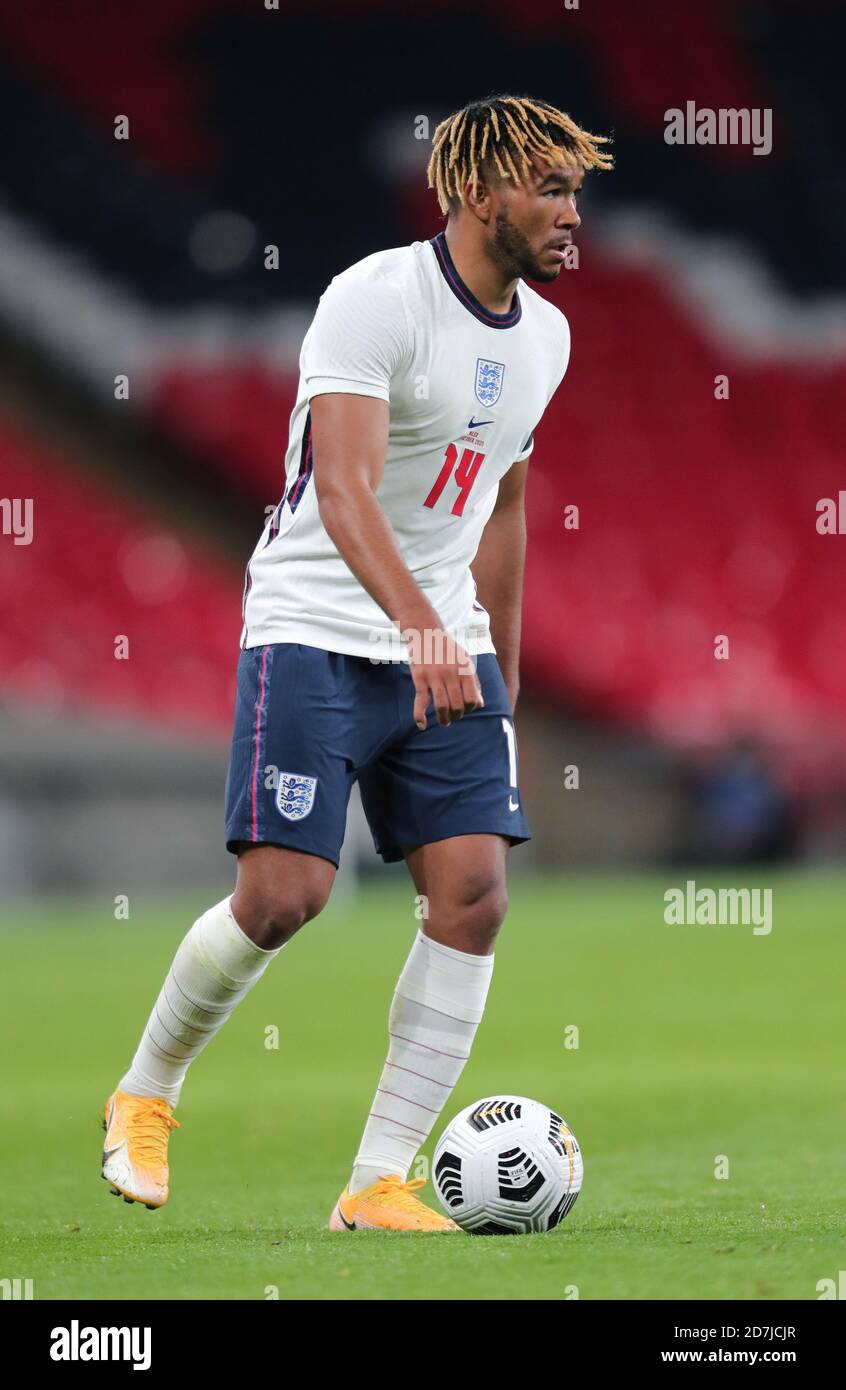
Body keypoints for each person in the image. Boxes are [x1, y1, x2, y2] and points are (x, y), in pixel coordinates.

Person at [101, 94, 613, 1231]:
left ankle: (377, 1179)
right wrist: (421, 626)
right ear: (482, 193)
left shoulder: (549, 336)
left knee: (473, 896)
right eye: (552, 190)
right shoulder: (373, 300)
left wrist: (497, 655)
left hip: (448, 644)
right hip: (316, 624)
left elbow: (506, 500)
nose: (576, 215)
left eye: (579, 191)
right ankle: (145, 1091)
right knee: (287, 897)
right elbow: (341, 489)